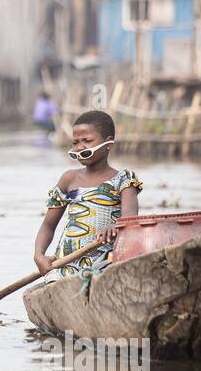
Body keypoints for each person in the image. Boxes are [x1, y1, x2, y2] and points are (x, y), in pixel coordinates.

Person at [33, 109, 141, 278]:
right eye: (75, 142)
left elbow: (131, 220)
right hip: (66, 266)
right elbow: (48, 225)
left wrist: (116, 226)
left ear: (108, 144)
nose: (79, 146)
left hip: (106, 265)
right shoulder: (69, 179)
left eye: (87, 140)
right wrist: (39, 254)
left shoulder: (123, 180)